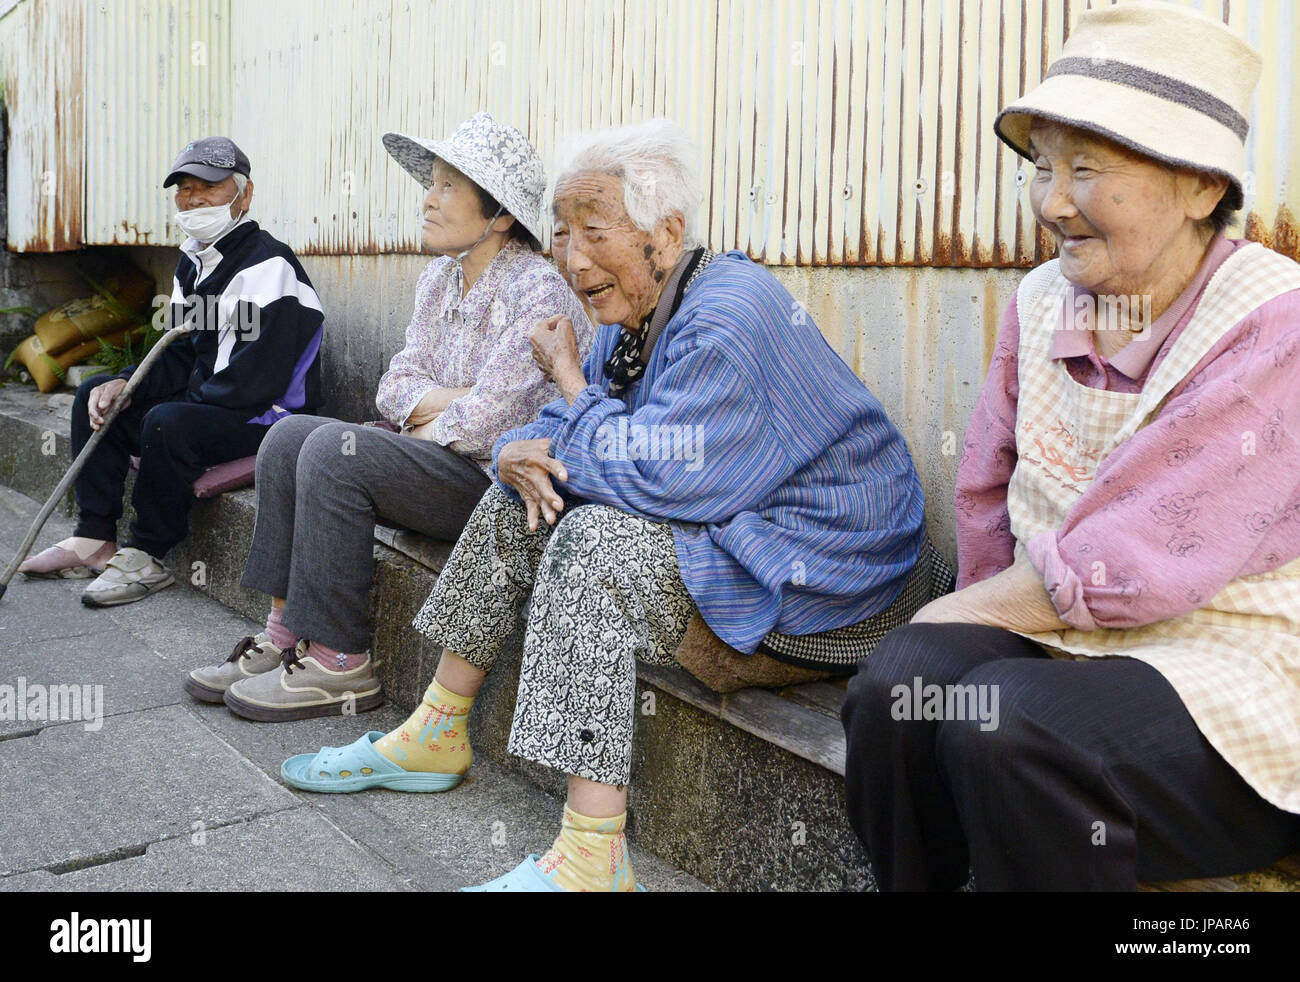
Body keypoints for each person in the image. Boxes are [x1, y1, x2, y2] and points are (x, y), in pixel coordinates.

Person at [280, 119, 936, 893]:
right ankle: (438, 727)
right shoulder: (631, 320)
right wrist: (509, 450)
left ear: (669, 232)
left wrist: (566, 380)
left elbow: (658, 479)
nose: (574, 258)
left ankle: (594, 858)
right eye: (561, 233)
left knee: (593, 543)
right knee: (522, 488)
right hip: (738, 536)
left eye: (595, 231)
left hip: (830, 592)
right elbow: (561, 438)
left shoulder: (728, 314)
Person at [841, 0, 1300, 891]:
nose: (1052, 203)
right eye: (1043, 168)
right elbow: (985, 487)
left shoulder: (1272, 321)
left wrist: (967, 622)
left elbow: (1141, 549)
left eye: (1087, 171)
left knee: (1011, 729)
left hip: (1234, 676)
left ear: (1203, 186)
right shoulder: (1044, 298)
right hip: (1067, 646)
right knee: (900, 686)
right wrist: (956, 630)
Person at [186, 112, 595, 721]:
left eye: (449, 186)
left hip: (496, 486)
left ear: (500, 214)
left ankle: (340, 664)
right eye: (431, 183)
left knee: (332, 454)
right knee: (287, 438)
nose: (428, 200)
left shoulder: (537, 290)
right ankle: (282, 636)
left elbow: (488, 423)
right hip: (436, 461)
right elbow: (394, 388)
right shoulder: (438, 278)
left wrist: (432, 413)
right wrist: (444, 403)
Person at [19, 137, 325, 608]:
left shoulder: (268, 266)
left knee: (167, 420)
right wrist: (128, 383)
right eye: (183, 188)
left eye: (209, 186)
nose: (193, 198)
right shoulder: (195, 261)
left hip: (269, 417)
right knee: (99, 394)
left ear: (244, 195)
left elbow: (253, 383)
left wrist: (172, 406)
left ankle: (146, 553)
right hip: (215, 404)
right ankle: (94, 537)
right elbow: (180, 353)